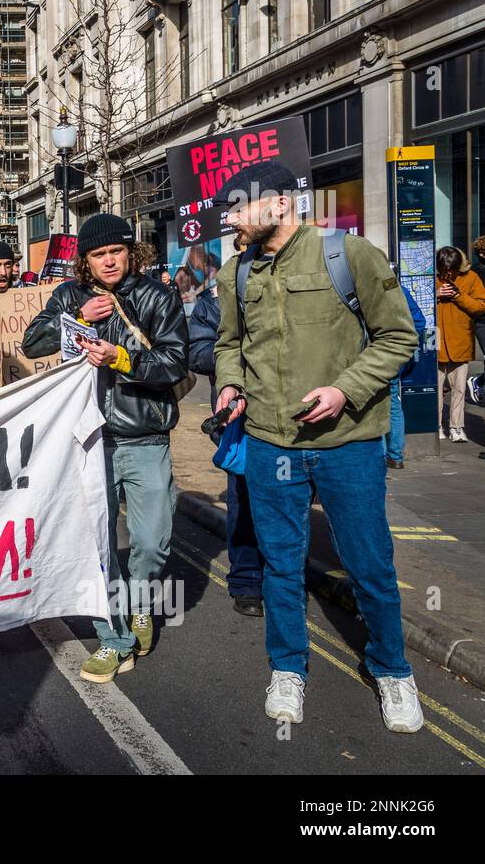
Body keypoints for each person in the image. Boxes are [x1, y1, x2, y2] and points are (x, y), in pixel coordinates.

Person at [211, 160, 421, 733]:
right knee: (281, 565)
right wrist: (229, 381)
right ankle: (287, 669)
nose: (230, 218)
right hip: (268, 442)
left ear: (279, 204)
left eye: (239, 207)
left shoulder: (347, 254)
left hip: (345, 443)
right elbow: (229, 343)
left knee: (369, 563)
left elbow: (401, 336)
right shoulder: (236, 273)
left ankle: (393, 671)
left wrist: (344, 388)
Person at [23, 213, 189, 682]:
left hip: (145, 434)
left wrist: (121, 357)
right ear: (85, 261)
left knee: (151, 543)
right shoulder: (70, 296)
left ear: (129, 251)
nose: (109, 261)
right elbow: (31, 343)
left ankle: (138, 607)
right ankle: (114, 638)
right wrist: (75, 317)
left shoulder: (157, 295)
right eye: (98, 255)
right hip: (88, 437)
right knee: (95, 544)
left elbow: (175, 362)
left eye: (116, 251)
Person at [188, 271, 262, 617]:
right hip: (240, 422)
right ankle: (247, 582)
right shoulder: (213, 301)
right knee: (243, 499)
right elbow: (198, 353)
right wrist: (240, 353)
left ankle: (282, 579)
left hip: (292, 418)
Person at [435, 246, 485, 443]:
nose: (448, 274)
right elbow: (416, 302)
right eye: (444, 270)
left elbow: (480, 306)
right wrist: (436, 294)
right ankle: (437, 425)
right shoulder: (432, 278)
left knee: (459, 389)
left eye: (452, 270)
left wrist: (457, 296)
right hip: (437, 341)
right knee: (436, 388)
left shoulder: (471, 278)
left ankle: (457, 427)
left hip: (460, 340)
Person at [385, 287, 426, 469]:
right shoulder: (399, 290)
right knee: (393, 403)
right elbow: (419, 322)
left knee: (369, 406)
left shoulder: (361, 288)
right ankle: (395, 455)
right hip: (393, 355)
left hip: (370, 354)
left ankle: (382, 454)